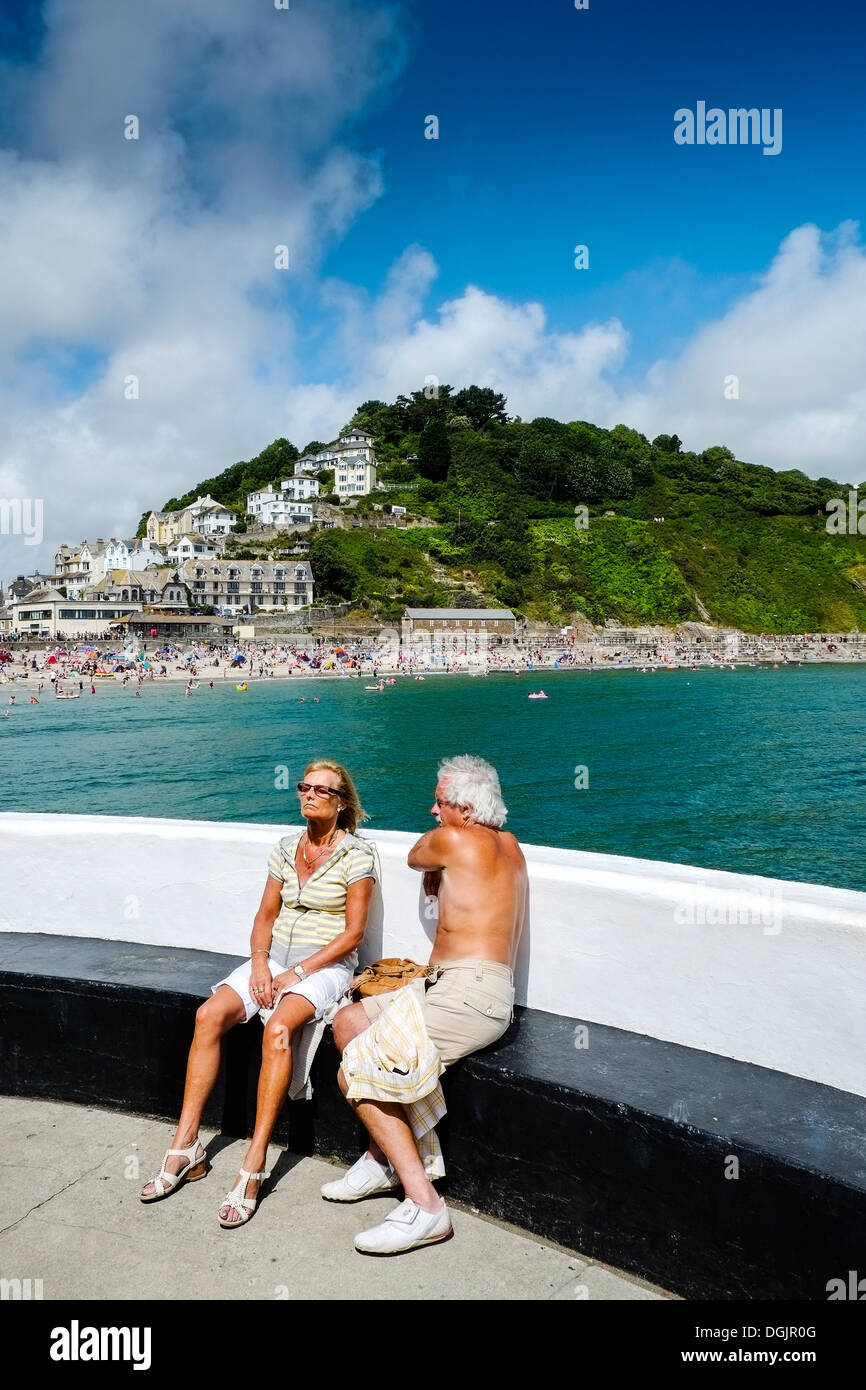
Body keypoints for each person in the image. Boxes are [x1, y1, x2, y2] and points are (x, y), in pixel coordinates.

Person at [140, 759, 377, 1227]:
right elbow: (264, 916)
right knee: (209, 1015)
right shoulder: (286, 848)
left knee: (280, 1029)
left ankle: (253, 1165)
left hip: (326, 965)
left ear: (342, 802)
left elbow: (353, 934)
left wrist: (298, 973)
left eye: (322, 790)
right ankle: (186, 1147)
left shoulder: (359, 855)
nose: (309, 795)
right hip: (273, 963)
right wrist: (261, 965)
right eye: (304, 787)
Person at [327, 754, 527, 1255]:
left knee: (354, 1072)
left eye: (439, 802)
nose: (432, 809)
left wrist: (437, 861)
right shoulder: (510, 845)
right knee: (349, 1021)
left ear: (463, 807)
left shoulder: (453, 839)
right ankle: (382, 1160)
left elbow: (416, 855)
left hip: (472, 993)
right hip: (450, 984)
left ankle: (427, 1207)